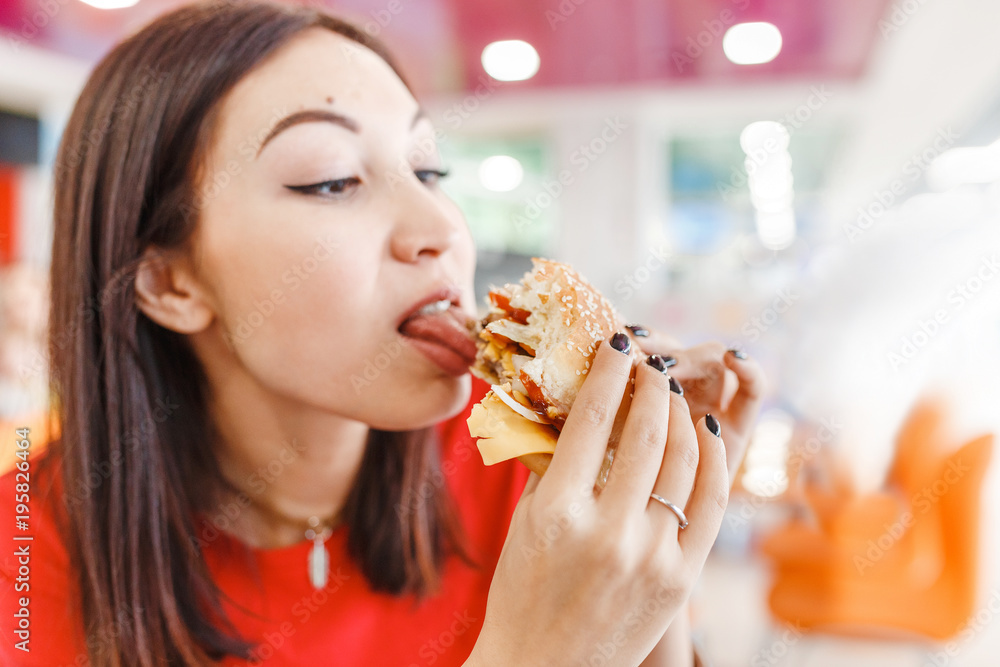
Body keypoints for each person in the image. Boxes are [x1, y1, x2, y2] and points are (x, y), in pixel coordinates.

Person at [0, 1, 765, 665]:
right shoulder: (22, 557)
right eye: (331, 179)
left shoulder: (526, 468)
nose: (441, 228)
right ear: (169, 281)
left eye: (430, 172)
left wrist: (659, 520)